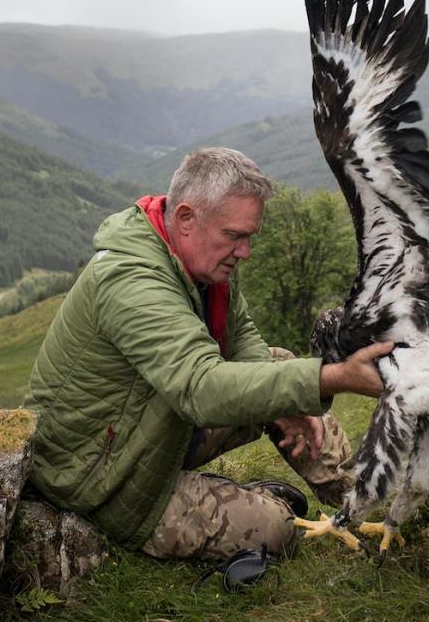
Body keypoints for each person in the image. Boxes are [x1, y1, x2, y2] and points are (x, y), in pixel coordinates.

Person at [27, 147, 392, 560]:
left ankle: (364, 501)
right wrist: (334, 377)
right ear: (186, 219)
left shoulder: (200, 264)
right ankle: (251, 504)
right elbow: (201, 389)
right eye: (234, 236)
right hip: (100, 476)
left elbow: (242, 341)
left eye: (249, 237)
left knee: (281, 370)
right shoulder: (132, 281)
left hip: (154, 427)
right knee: (276, 530)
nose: (245, 252)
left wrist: (285, 402)